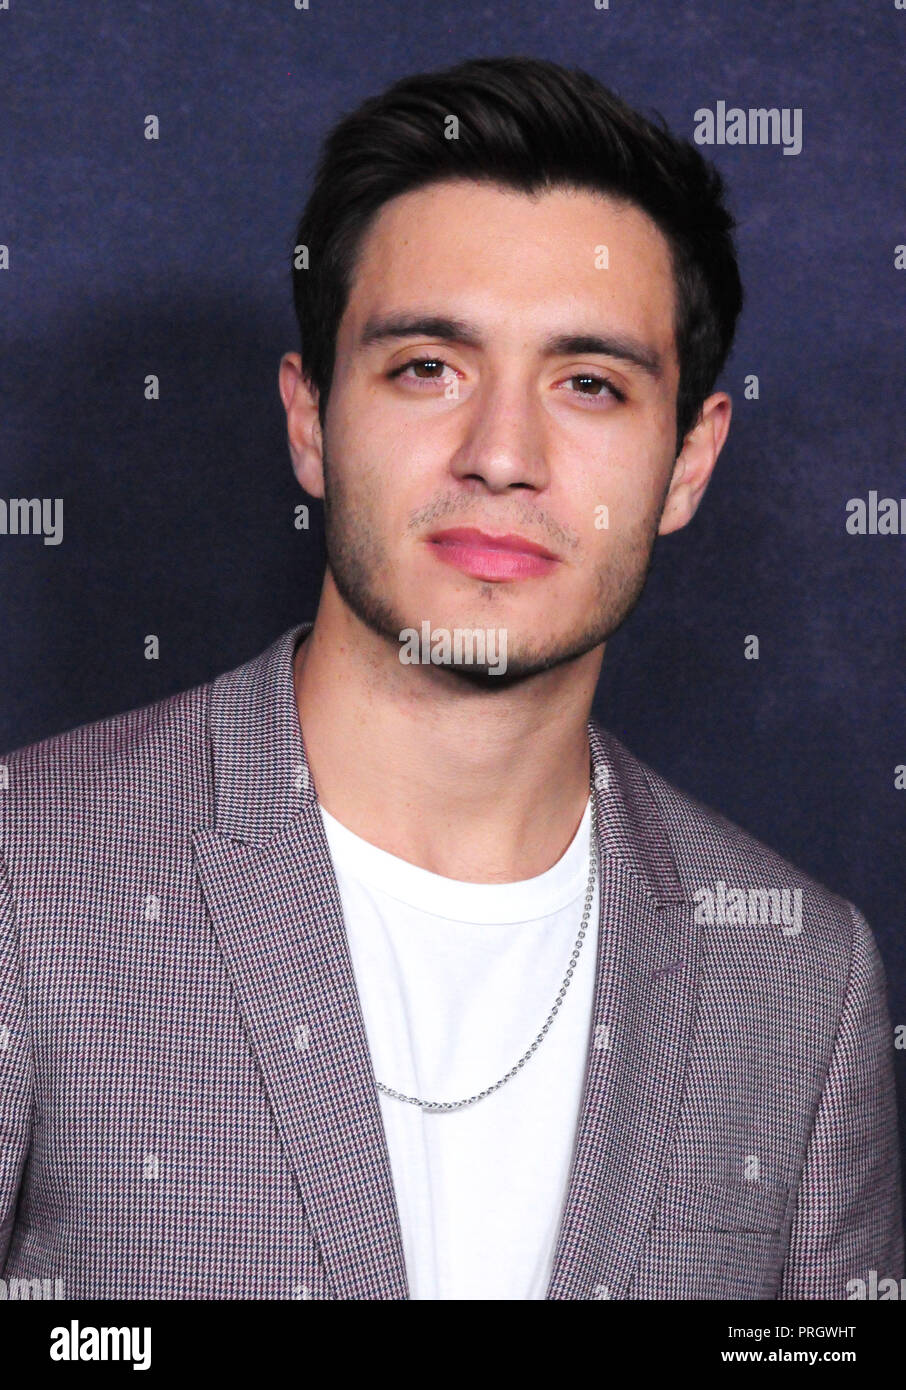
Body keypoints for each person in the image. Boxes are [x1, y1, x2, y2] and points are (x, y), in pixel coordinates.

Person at [0, 56, 901, 1302]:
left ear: (688, 462)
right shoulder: (25, 879)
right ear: (312, 418)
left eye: (590, 383)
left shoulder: (803, 975)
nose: (502, 455)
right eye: (429, 365)